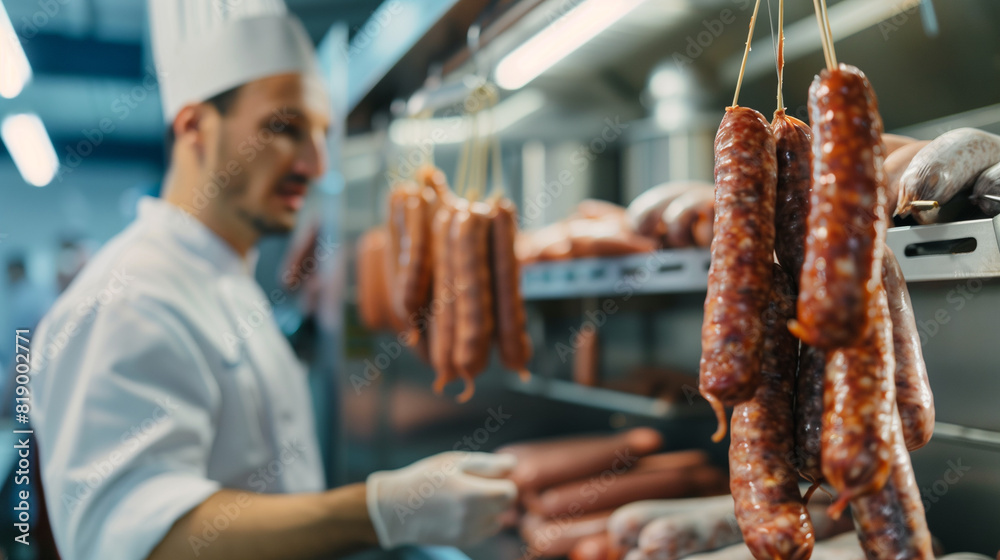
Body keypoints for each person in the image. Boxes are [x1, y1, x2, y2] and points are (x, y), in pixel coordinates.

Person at [30, 2, 517, 559]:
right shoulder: (126, 299)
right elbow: (135, 541)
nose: (316, 164)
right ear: (194, 127)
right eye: (283, 127)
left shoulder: (228, 282)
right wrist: (378, 511)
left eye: (322, 135)